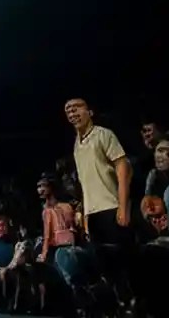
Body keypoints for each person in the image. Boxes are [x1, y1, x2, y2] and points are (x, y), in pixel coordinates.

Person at [64, 98, 131, 245]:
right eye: (68, 110)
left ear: (90, 112)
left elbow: (123, 169)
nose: (72, 111)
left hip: (112, 207)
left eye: (77, 107)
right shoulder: (77, 145)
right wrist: (86, 216)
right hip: (92, 214)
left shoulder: (104, 135)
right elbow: (84, 184)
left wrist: (123, 207)